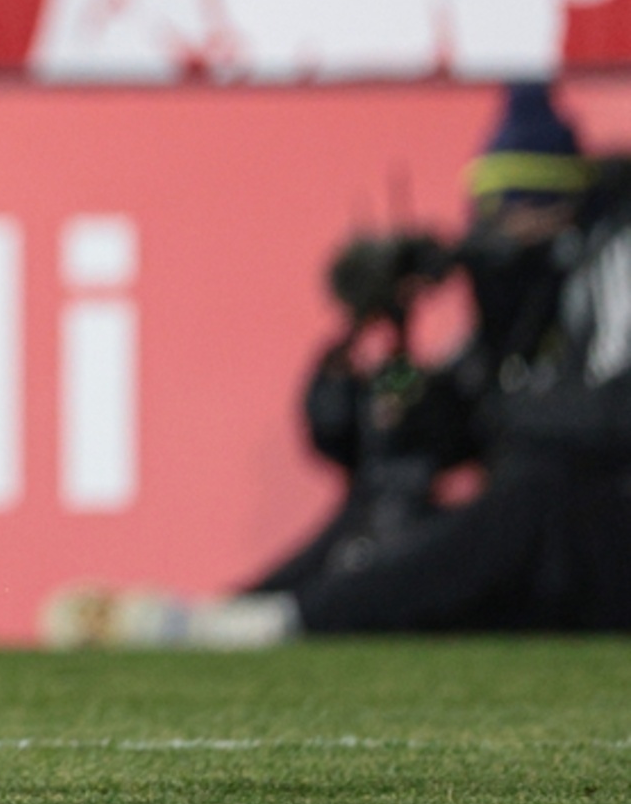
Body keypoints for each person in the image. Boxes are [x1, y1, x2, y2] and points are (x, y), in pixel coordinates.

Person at [48, 83, 631, 648]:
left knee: (532, 501)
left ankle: (278, 623)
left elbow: (598, 424)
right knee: (392, 504)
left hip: (602, 538)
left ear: (576, 203)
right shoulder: (517, 309)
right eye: (497, 202)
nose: (511, 222)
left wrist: (495, 394)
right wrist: (370, 364)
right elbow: (438, 429)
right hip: (557, 548)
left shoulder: (608, 267)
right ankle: (240, 613)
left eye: (533, 200)